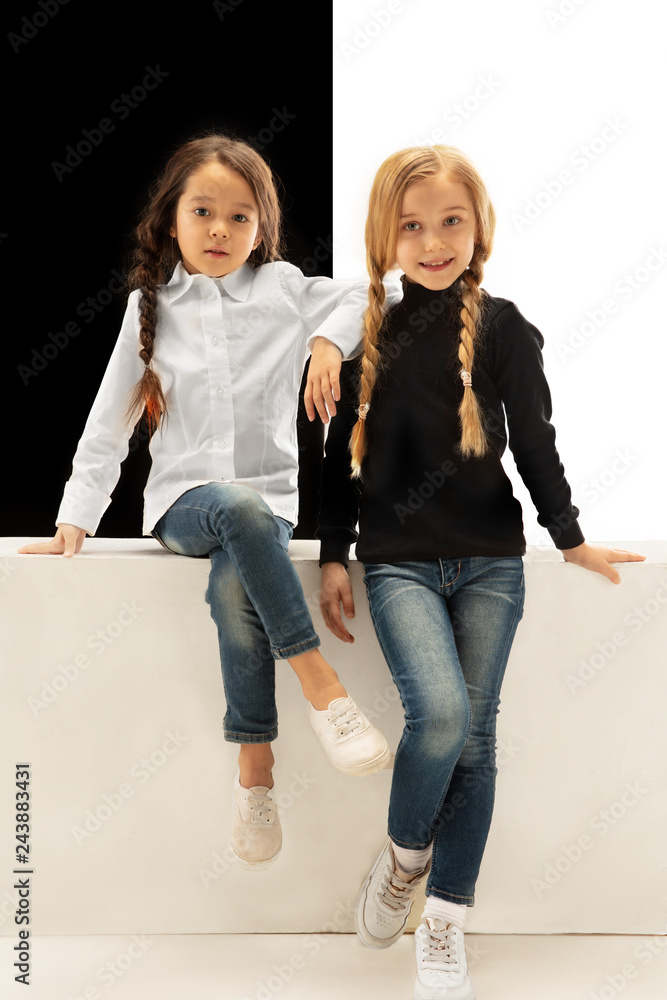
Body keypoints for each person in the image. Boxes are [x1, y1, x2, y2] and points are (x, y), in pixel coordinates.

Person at [316, 145, 645, 999]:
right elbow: (332, 460)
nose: (432, 241)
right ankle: (403, 860)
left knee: (478, 740)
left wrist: (569, 536)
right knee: (442, 717)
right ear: (384, 235)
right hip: (397, 566)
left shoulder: (500, 327)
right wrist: (330, 555)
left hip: (492, 564)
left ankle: (444, 921)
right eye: (412, 225)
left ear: (479, 226)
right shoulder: (359, 332)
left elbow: (534, 442)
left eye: (449, 222)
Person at [18, 133, 396, 872]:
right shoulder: (150, 308)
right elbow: (108, 421)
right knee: (234, 511)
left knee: (236, 585)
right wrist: (75, 516)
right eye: (203, 213)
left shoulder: (284, 290)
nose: (220, 230)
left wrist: (325, 343)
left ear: (261, 230)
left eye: (239, 218)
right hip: (183, 510)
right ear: (172, 222)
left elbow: (372, 292)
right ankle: (322, 690)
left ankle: (254, 775)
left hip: (268, 511)